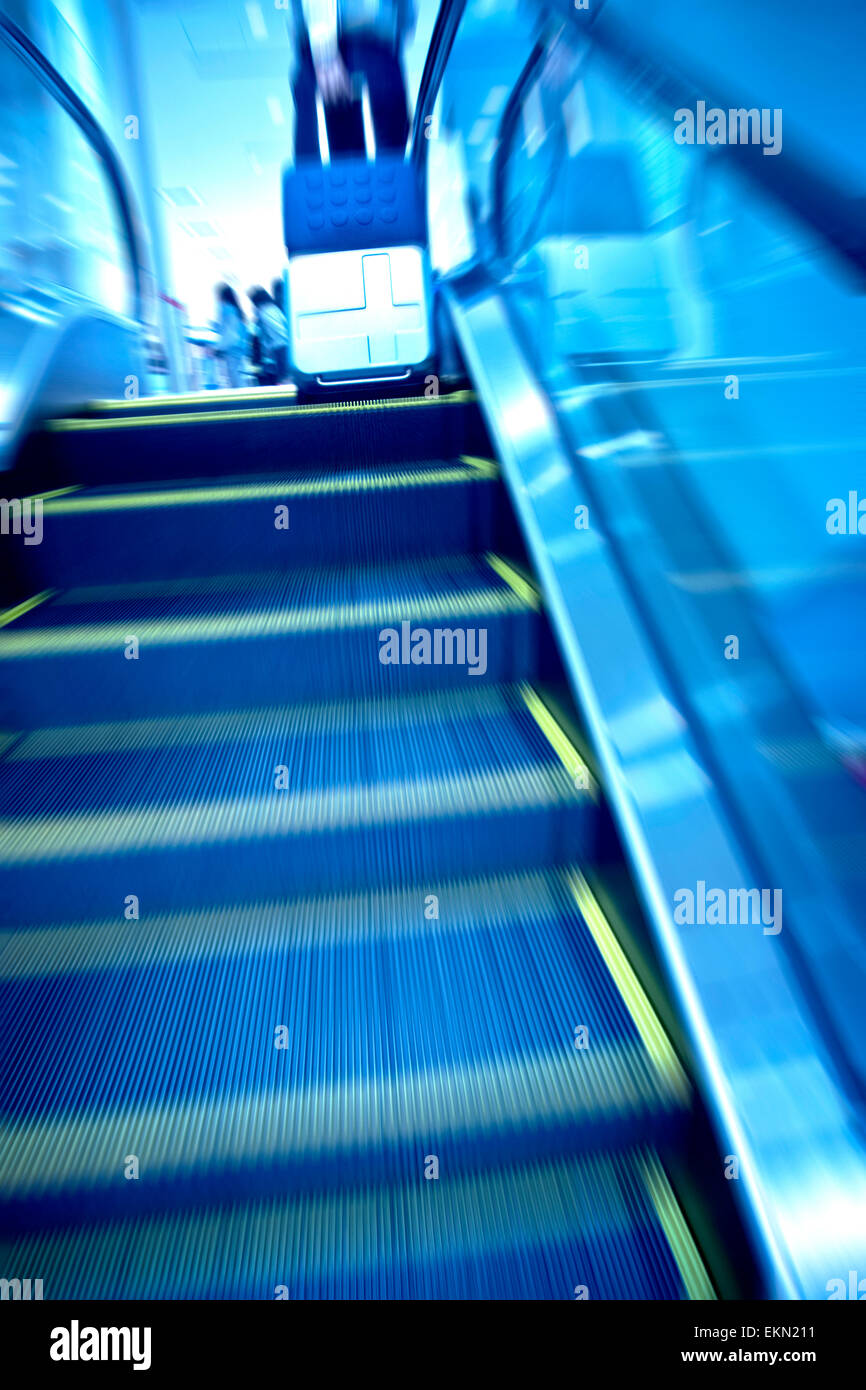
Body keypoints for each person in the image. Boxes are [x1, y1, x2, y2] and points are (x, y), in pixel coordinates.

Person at [288, 0, 416, 160]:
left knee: (387, 161)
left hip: (375, 49)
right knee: (370, 165)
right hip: (345, 49)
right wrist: (323, 43)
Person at [248, 286, 290, 386]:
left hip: (278, 349)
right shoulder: (274, 308)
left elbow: (271, 336)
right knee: (284, 380)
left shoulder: (263, 311)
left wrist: (267, 355)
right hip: (284, 347)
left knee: (281, 381)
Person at [214, 283, 249, 388]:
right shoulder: (236, 310)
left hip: (232, 348)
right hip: (240, 348)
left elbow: (229, 332)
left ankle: (243, 403)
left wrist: (218, 348)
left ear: (221, 295)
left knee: (236, 381)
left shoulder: (226, 309)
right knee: (239, 378)